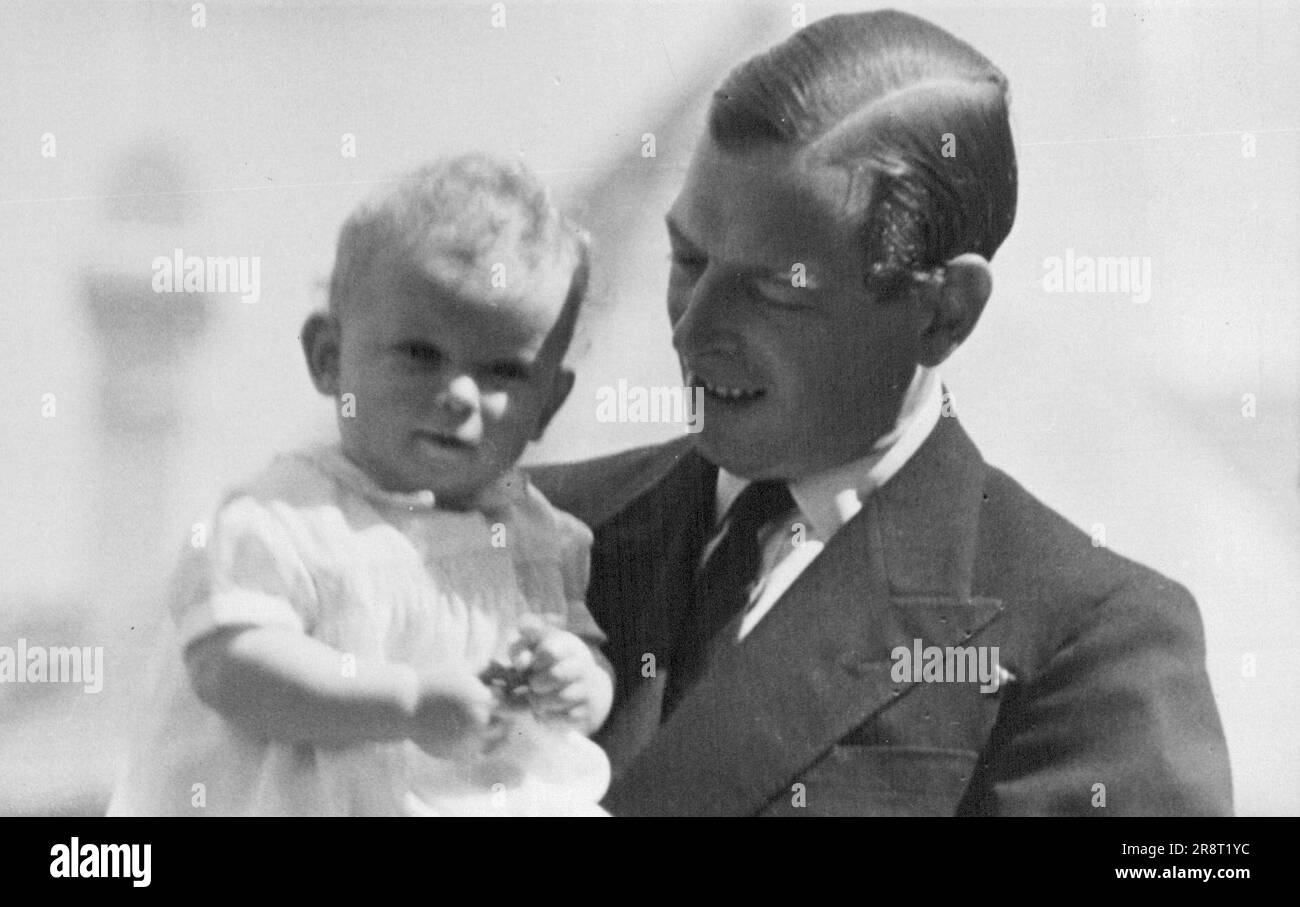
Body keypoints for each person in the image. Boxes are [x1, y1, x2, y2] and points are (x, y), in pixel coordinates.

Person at [529, 10, 1232, 816]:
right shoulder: (534, 528)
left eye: (774, 291)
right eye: (689, 260)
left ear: (944, 313)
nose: (692, 329)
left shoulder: (1088, 647)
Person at [108, 154, 613, 816]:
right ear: (328, 357)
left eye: (504, 372)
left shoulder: (537, 536)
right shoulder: (283, 517)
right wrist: (403, 703)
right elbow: (229, 665)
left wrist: (579, 680)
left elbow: (587, 653)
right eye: (419, 355)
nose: (460, 394)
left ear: (548, 404)